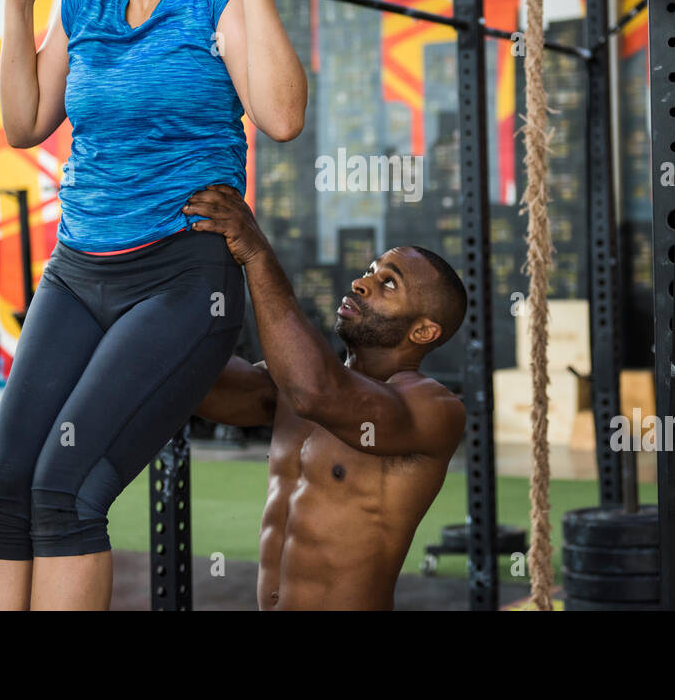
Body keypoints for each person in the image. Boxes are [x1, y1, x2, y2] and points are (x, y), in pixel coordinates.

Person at [0, 0, 307, 610]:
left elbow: (281, 114)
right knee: (2, 485)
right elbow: (23, 121)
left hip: (181, 276)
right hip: (78, 273)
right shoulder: (84, 0)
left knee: (64, 487)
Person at [185, 184, 468, 610]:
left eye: (388, 283)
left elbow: (319, 395)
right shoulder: (292, 386)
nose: (361, 283)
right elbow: (197, 385)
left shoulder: (435, 409)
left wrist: (257, 254)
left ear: (423, 331)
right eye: (370, 270)